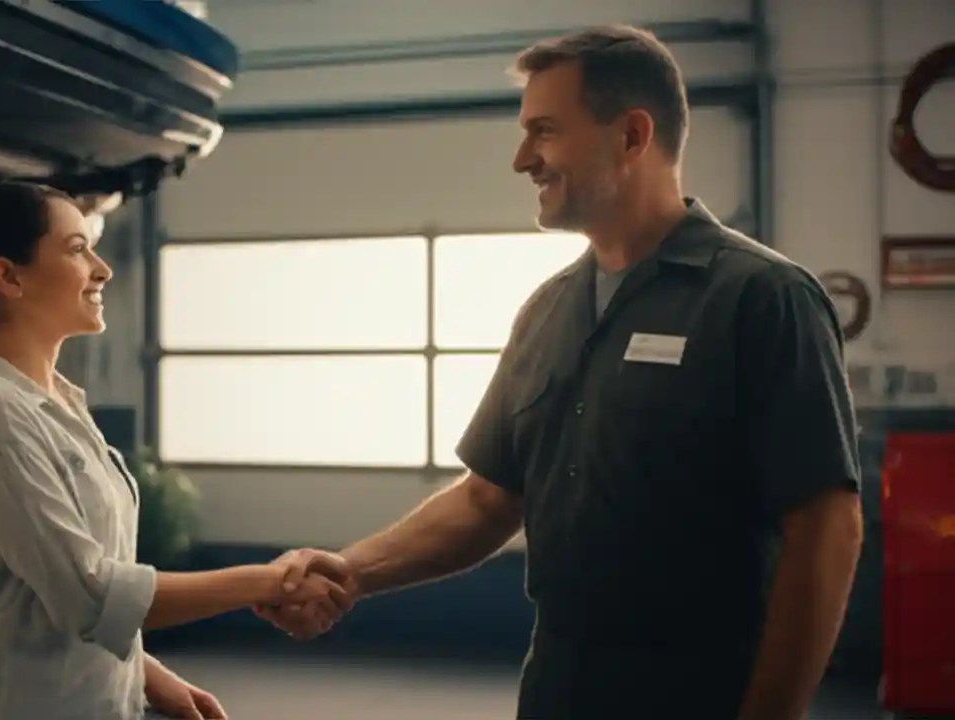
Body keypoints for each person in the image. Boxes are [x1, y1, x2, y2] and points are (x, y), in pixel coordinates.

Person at [255, 24, 864, 720]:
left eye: (544, 132)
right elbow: (489, 498)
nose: (522, 160)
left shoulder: (763, 298)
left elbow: (827, 526)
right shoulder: (548, 310)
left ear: (632, 136)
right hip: (560, 686)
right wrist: (352, 570)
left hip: (701, 691)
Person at [0, 179, 347, 720]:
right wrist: (269, 581)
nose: (102, 268)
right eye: (75, 248)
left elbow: (45, 593)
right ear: (7, 276)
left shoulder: (54, 405)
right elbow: (89, 595)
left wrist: (143, 675)